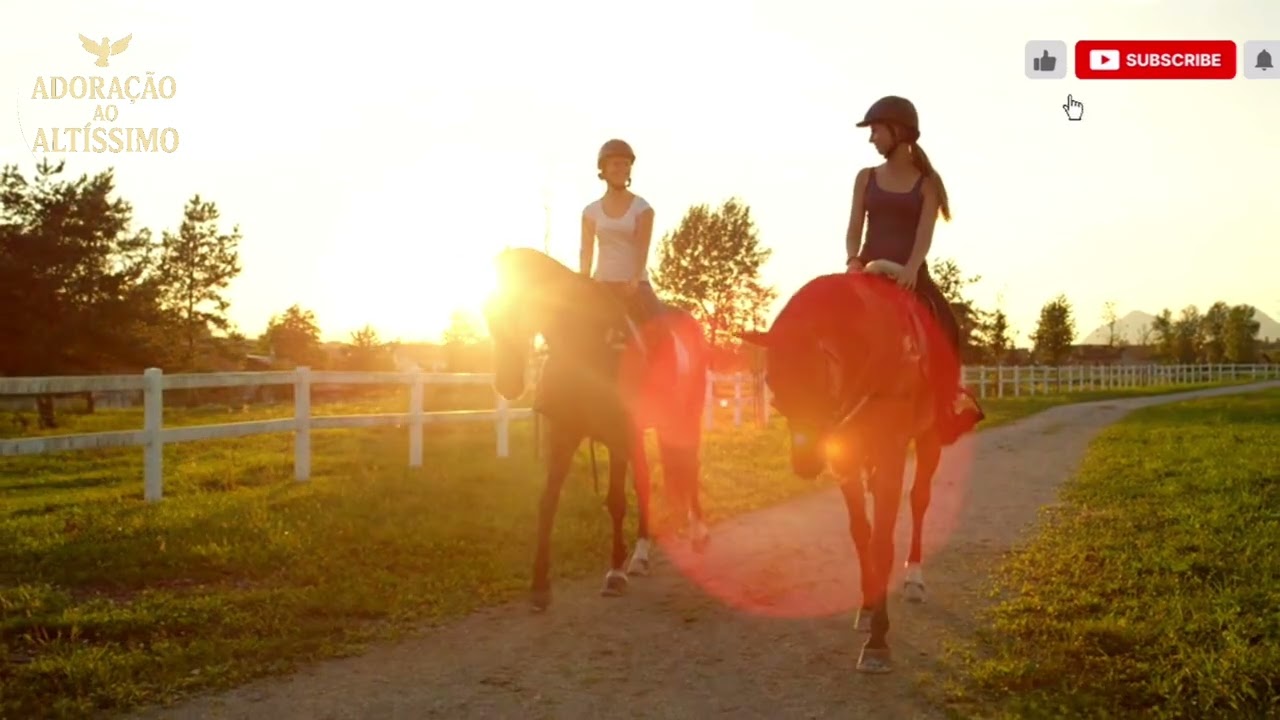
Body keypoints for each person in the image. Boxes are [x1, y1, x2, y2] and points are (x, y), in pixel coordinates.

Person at [844, 95, 984, 442]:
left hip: (909, 276)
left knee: (948, 326)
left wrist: (910, 269)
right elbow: (853, 229)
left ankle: (947, 408)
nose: (871, 138)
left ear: (898, 131)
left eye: (876, 130)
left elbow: (924, 237)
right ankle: (822, 411)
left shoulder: (927, 184)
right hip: (866, 274)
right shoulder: (865, 178)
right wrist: (853, 260)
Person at [580, 138, 665, 331]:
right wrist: (583, 283)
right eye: (615, 163)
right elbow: (586, 253)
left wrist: (634, 280)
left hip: (634, 286)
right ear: (604, 169)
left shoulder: (643, 209)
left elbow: (643, 249)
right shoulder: (590, 212)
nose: (621, 168)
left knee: (661, 332)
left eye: (626, 164)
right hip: (602, 286)